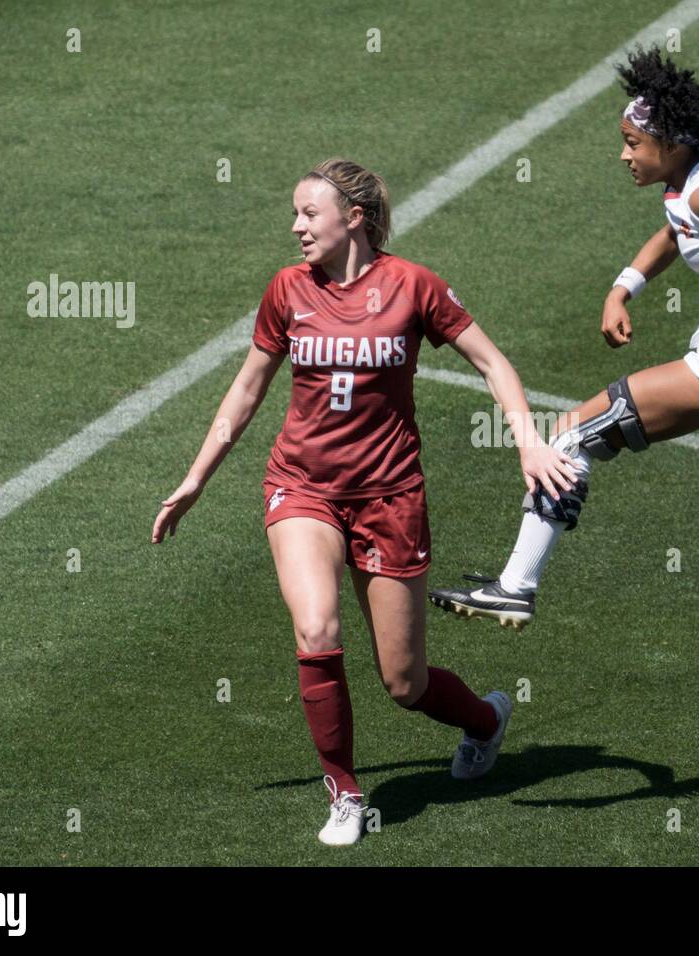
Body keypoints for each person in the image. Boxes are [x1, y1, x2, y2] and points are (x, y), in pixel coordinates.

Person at [151, 158, 577, 845]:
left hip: (391, 497)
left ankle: (486, 721)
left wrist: (528, 442)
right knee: (317, 630)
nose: (295, 227)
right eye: (294, 214)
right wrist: (197, 476)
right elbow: (248, 389)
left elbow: (493, 363)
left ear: (352, 218)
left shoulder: (413, 286)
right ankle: (344, 793)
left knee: (403, 683)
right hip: (303, 487)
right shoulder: (287, 291)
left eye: (308, 214)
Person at [429, 47, 699, 629]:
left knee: (567, 436)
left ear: (671, 144)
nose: (623, 155)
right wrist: (625, 287)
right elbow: (677, 230)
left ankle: (516, 586)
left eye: (633, 143)